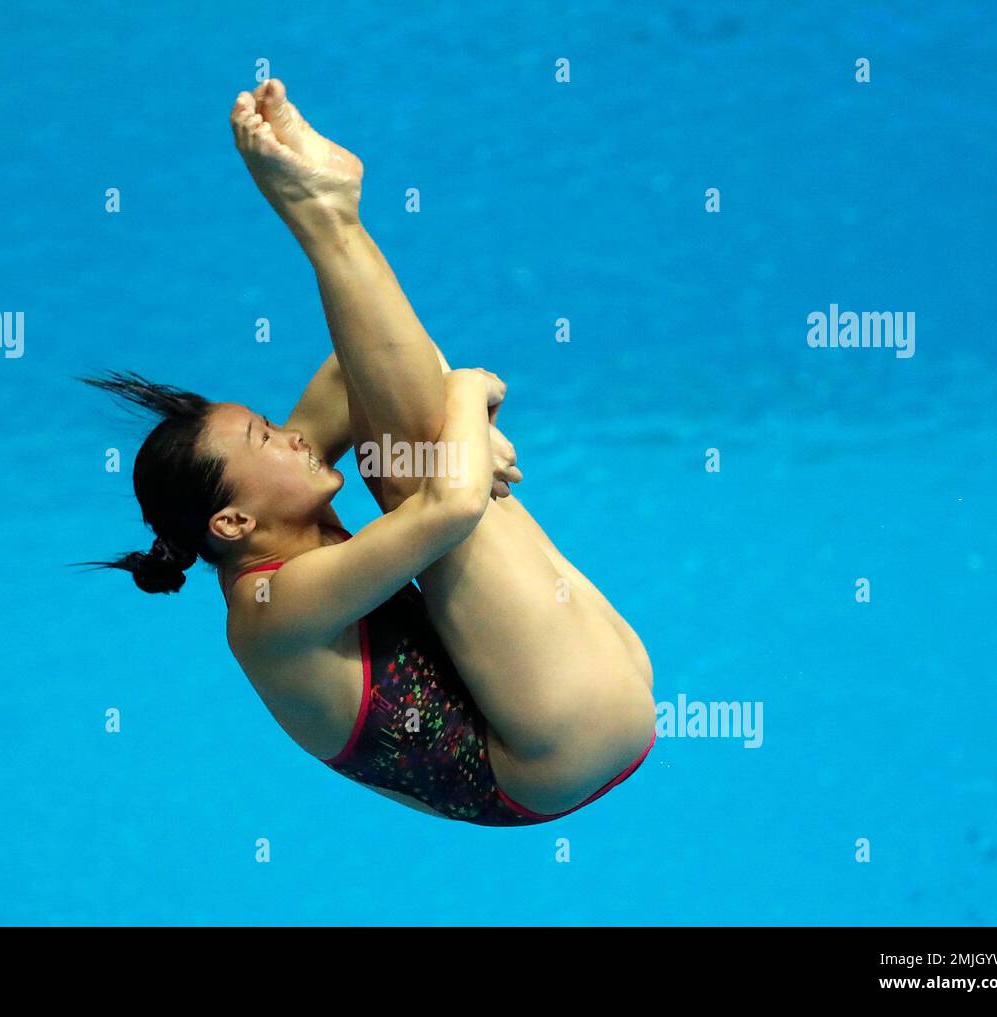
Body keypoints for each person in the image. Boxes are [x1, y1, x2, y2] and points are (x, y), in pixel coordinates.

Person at [82, 80, 656, 826]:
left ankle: (329, 212)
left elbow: (353, 366)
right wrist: (467, 392)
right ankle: (324, 214)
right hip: (556, 749)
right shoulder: (268, 608)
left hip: (579, 699)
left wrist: (459, 415)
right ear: (230, 522)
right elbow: (450, 506)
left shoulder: (265, 516)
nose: (291, 434)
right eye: (265, 438)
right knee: (414, 469)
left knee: (397, 444)